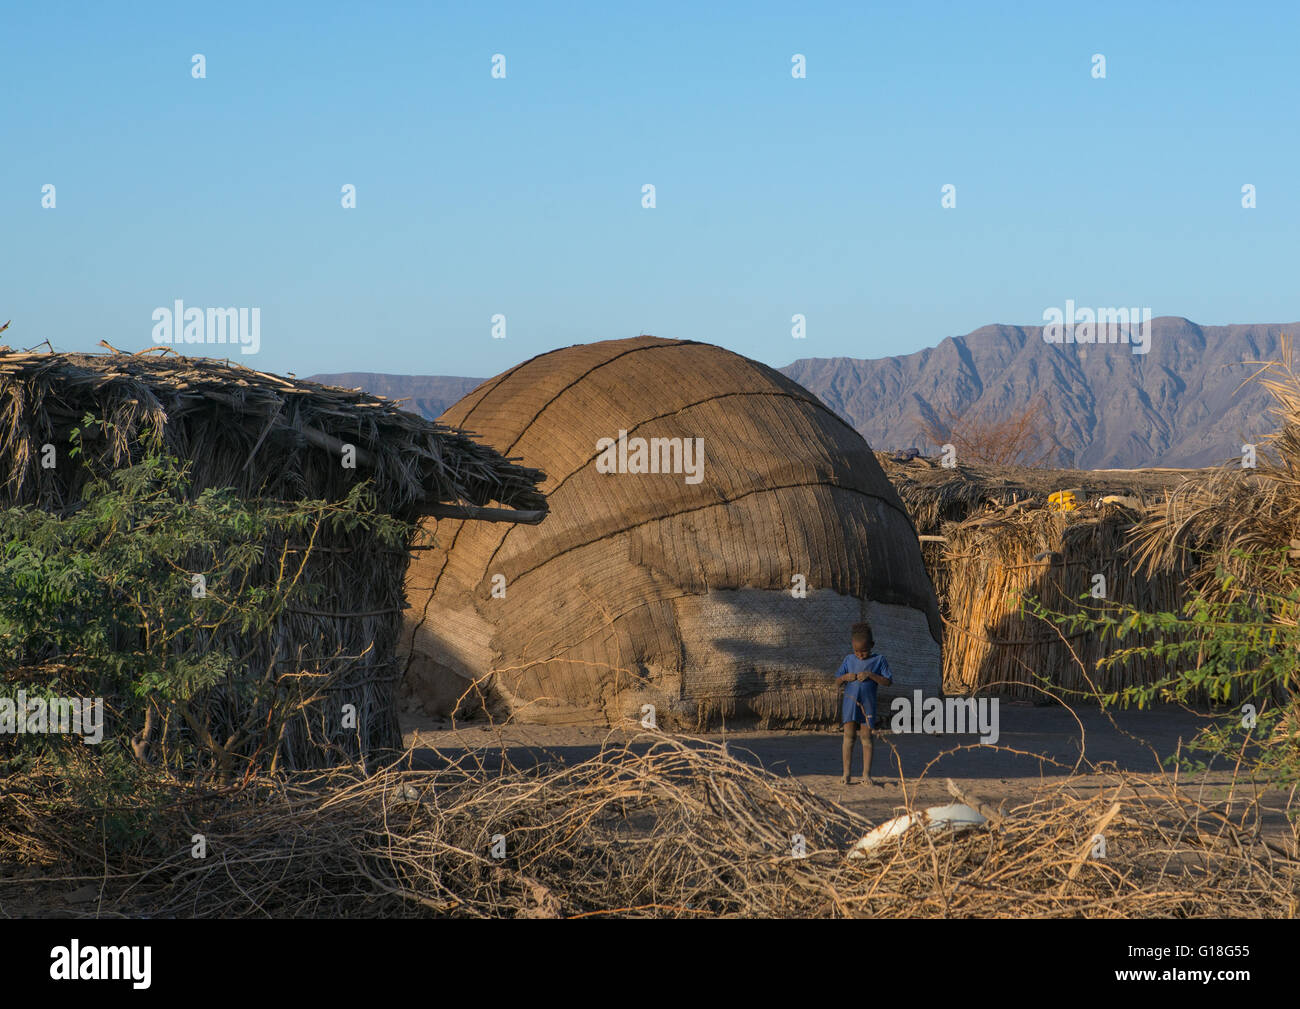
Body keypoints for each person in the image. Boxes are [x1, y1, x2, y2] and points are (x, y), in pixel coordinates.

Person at [834, 621, 893, 785]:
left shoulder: (879, 660)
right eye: (857, 652)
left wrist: (871, 675)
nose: (860, 655)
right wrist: (846, 677)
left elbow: (888, 681)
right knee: (849, 737)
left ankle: (866, 774)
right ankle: (846, 774)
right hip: (850, 704)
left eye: (864, 651)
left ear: (872, 645)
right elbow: (837, 681)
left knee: (866, 738)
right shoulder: (848, 660)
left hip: (868, 705)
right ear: (852, 647)